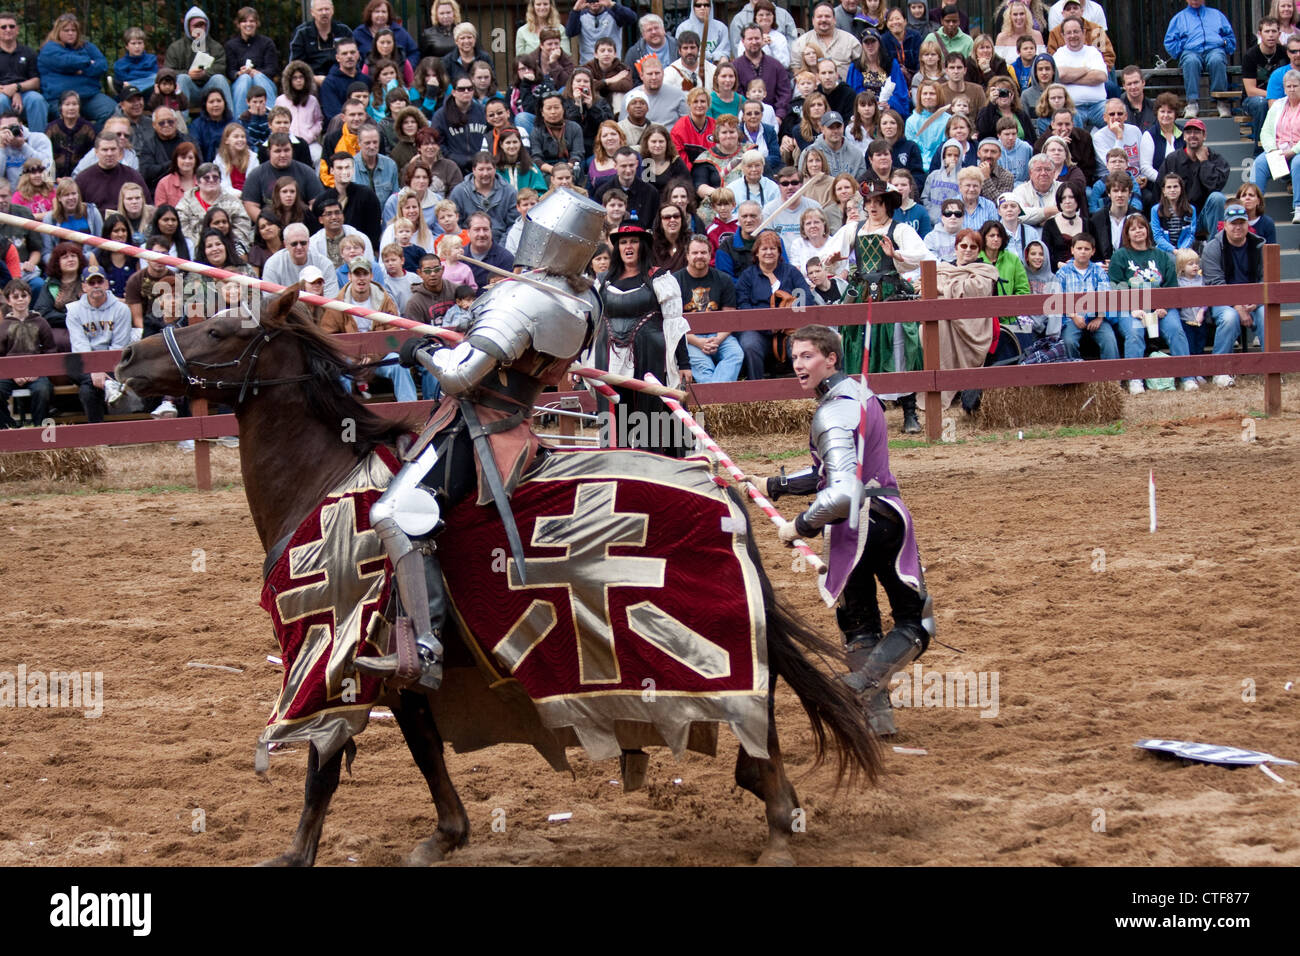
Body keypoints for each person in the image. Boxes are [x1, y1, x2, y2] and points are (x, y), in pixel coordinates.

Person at [765, 323, 934, 735]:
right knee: (898, 623)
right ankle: (878, 720)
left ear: (831, 358)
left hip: (856, 526)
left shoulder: (831, 410)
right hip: (886, 518)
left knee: (891, 625)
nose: (798, 364)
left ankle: (858, 683)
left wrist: (799, 527)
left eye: (807, 356)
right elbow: (834, 471)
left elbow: (842, 494)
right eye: (795, 357)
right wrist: (777, 485)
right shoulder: (860, 395)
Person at [841, 181, 932, 426]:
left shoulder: (899, 230)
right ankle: (868, 413)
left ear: (887, 205)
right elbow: (833, 254)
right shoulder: (853, 229)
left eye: (878, 202)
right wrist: (833, 260)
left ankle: (909, 413)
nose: (872, 207)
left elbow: (921, 254)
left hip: (890, 292)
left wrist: (896, 255)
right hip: (861, 293)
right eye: (869, 202)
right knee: (860, 347)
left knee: (899, 346)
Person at [1107, 213, 1194, 393]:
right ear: (1127, 233)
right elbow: (1116, 287)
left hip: (1161, 308)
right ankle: (1135, 379)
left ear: (1147, 230)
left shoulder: (1162, 256)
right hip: (1131, 309)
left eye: (1141, 227)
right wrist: (1133, 309)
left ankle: (1187, 376)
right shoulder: (1120, 256)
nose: (1138, 231)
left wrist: (1164, 307)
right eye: (1133, 229)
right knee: (1134, 332)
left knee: (1175, 330)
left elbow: (1171, 286)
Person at [1201, 202, 1267, 385]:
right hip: (1223, 301)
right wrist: (1238, 307)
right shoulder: (1213, 248)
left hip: (1254, 300)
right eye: (1233, 223)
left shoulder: (1259, 245)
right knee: (1229, 317)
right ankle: (1220, 371)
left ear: (1248, 224)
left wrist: (1256, 299)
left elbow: (1266, 278)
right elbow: (1216, 284)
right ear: (1225, 224)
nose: (1238, 227)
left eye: (1241, 222)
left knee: (1265, 313)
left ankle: (1272, 368)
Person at [66, 264, 131, 423]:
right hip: (83, 361)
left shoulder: (121, 309)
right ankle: (109, 386)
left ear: (107, 284)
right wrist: (94, 369)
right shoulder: (73, 310)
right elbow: (79, 344)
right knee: (76, 369)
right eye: (91, 283)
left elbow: (119, 345)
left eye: (99, 282)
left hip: (113, 361)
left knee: (87, 391)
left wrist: (100, 369)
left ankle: (99, 439)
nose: (96, 286)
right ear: (84, 287)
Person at [675, 232, 741, 383]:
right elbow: (672, 324)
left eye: (703, 252)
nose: (699, 256)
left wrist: (717, 339)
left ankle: (714, 402)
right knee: (704, 366)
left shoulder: (723, 279)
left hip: (719, 335)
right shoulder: (675, 281)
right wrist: (698, 342)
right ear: (687, 256)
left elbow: (729, 317)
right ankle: (719, 403)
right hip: (689, 337)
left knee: (736, 354)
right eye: (695, 252)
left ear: (710, 254)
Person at [1164, 0, 1236, 119]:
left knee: (1217, 59)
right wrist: (1182, 48)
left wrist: (1224, 43)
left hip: (1214, 49)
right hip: (1191, 50)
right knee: (1191, 61)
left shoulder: (1217, 15)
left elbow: (1230, 37)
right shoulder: (1179, 18)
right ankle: (1192, 103)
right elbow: (1170, 42)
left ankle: (1221, 101)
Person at [1055, 231, 1117, 360]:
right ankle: (1076, 376)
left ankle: (1112, 377)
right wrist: (1073, 316)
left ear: (1093, 251)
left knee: (1109, 339)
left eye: (1087, 249)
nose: (1083, 252)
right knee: (1068, 341)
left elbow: (1105, 297)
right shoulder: (1063, 272)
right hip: (1071, 318)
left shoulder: (1098, 271)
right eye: (1079, 248)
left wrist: (1099, 318)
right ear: (1072, 250)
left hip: (1096, 316)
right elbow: (1058, 299)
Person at [163, 7, 232, 114]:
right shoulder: (176, 47)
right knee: (182, 78)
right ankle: (180, 125)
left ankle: (230, 122)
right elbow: (167, 72)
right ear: (188, 27)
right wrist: (188, 74)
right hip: (187, 91)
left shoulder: (216, 47)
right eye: (195, 26)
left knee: (219, 79)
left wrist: (205, 74)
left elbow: (221, 68)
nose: (199, 29)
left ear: (206, 26)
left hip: (210, 90)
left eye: (202, 25)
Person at [1255, 69, 1300, 224]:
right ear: (1284, 88)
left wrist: (1292, 151)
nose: (1292, 89)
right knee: (1260, 162)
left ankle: (1298, 207)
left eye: (1295, 86)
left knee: (1297, 162)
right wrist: (1273, 150)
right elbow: (1265, 131)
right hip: (1278, 151)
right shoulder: (1278, 105)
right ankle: (1255, 208)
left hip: (1297, 151)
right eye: (1289, 86)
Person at [1052, 16, 1107, 129]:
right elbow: (1061, 76)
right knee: (1068, 122)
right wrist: (1086, 69)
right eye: (1069, 32)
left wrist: (1070, 78)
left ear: (1083, 32)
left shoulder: (1093, 52)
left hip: (1099, 106)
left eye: (1076, 31)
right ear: (1063, 35)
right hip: (1072, 107)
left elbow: (1101, 76)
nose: (1073, 36)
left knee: (1114, 113)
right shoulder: (1059, 54)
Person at [450, 152, 518, 241]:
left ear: (495, 169)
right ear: (474, 170)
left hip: (501, 243)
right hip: (468, 244)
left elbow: (513, 225)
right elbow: (455, 224)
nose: (485, 173)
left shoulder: (509, 192)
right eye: (481, 169)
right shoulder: (459, 192)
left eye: (489, 169)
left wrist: (501, 247)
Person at [262, 222, 339, 296]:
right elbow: (269, 299)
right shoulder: (272, 265)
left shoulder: (324, 264)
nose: (299, 247)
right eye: (294, 244)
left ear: (309, 242)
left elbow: (331, 299)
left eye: (303, 243)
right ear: (285, 244)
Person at [0, 10, 46, 132]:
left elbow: (36, 81)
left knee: (37, 100)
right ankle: (3, 142)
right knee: (1, 100)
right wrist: (10, 91)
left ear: (17, 30)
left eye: (11, 26)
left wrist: (17, 88)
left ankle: (37, 143)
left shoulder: (28, 52)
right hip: (2, 94)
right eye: (3, 27)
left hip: (25, 94)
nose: (8, 29)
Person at [733, 25, 792, 120]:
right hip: (745, 118)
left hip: (774, 118)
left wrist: (779, 116)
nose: (754, 42)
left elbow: (784, 93)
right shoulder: (735, 67)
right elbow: (736, 95)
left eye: (757, 38)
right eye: (750, 39)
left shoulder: (775, 65)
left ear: (762, 40)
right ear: (743, 41)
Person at [289, 0, 354, 84]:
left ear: (332, 10)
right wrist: (313, 79)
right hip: (311, 81)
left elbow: (355, 58)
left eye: (327, 9)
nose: (324, 13)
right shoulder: (302, 33)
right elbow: (295, 65)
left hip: (342, 79)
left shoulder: (344, 31)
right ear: (312, 12)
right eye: (320, 10)